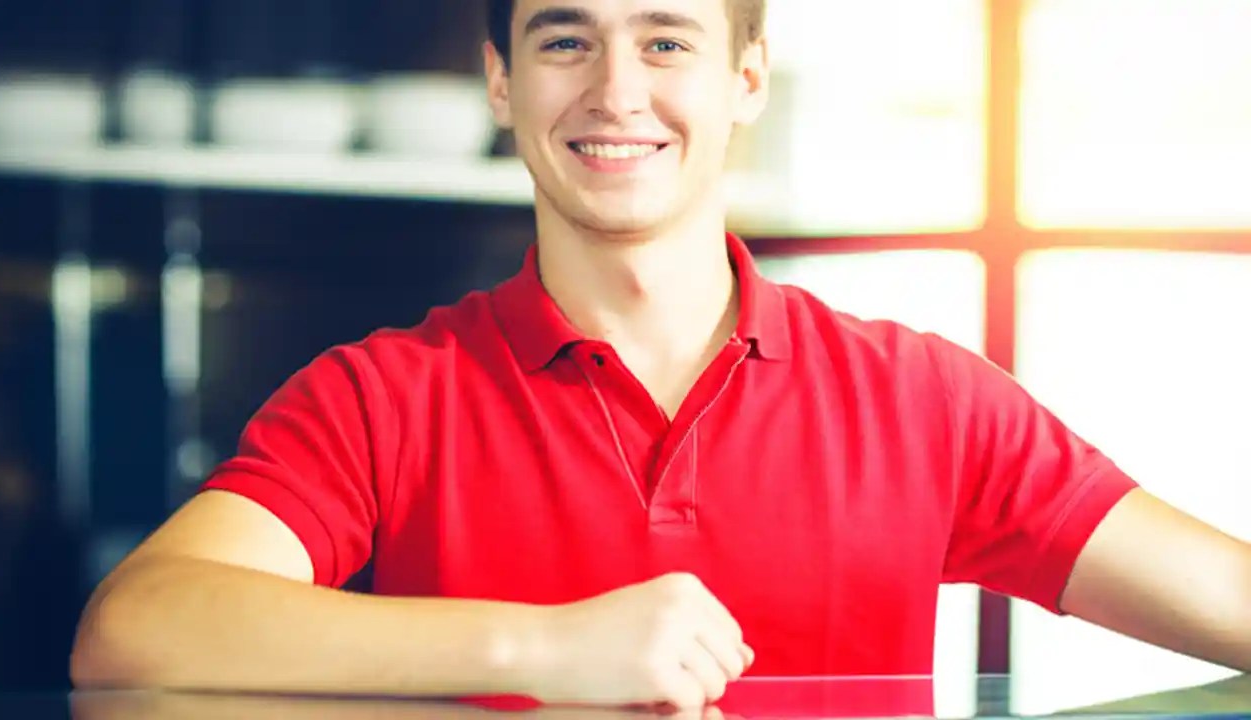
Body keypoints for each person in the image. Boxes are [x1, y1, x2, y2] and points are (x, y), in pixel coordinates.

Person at [69, 0, 1251, 710]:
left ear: (744, 79)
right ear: (500, 80)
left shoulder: (923, 399)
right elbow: (135, 635)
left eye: (666, 40)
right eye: (565, 40)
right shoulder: (380, 395)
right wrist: (548, 646)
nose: (614, 91)